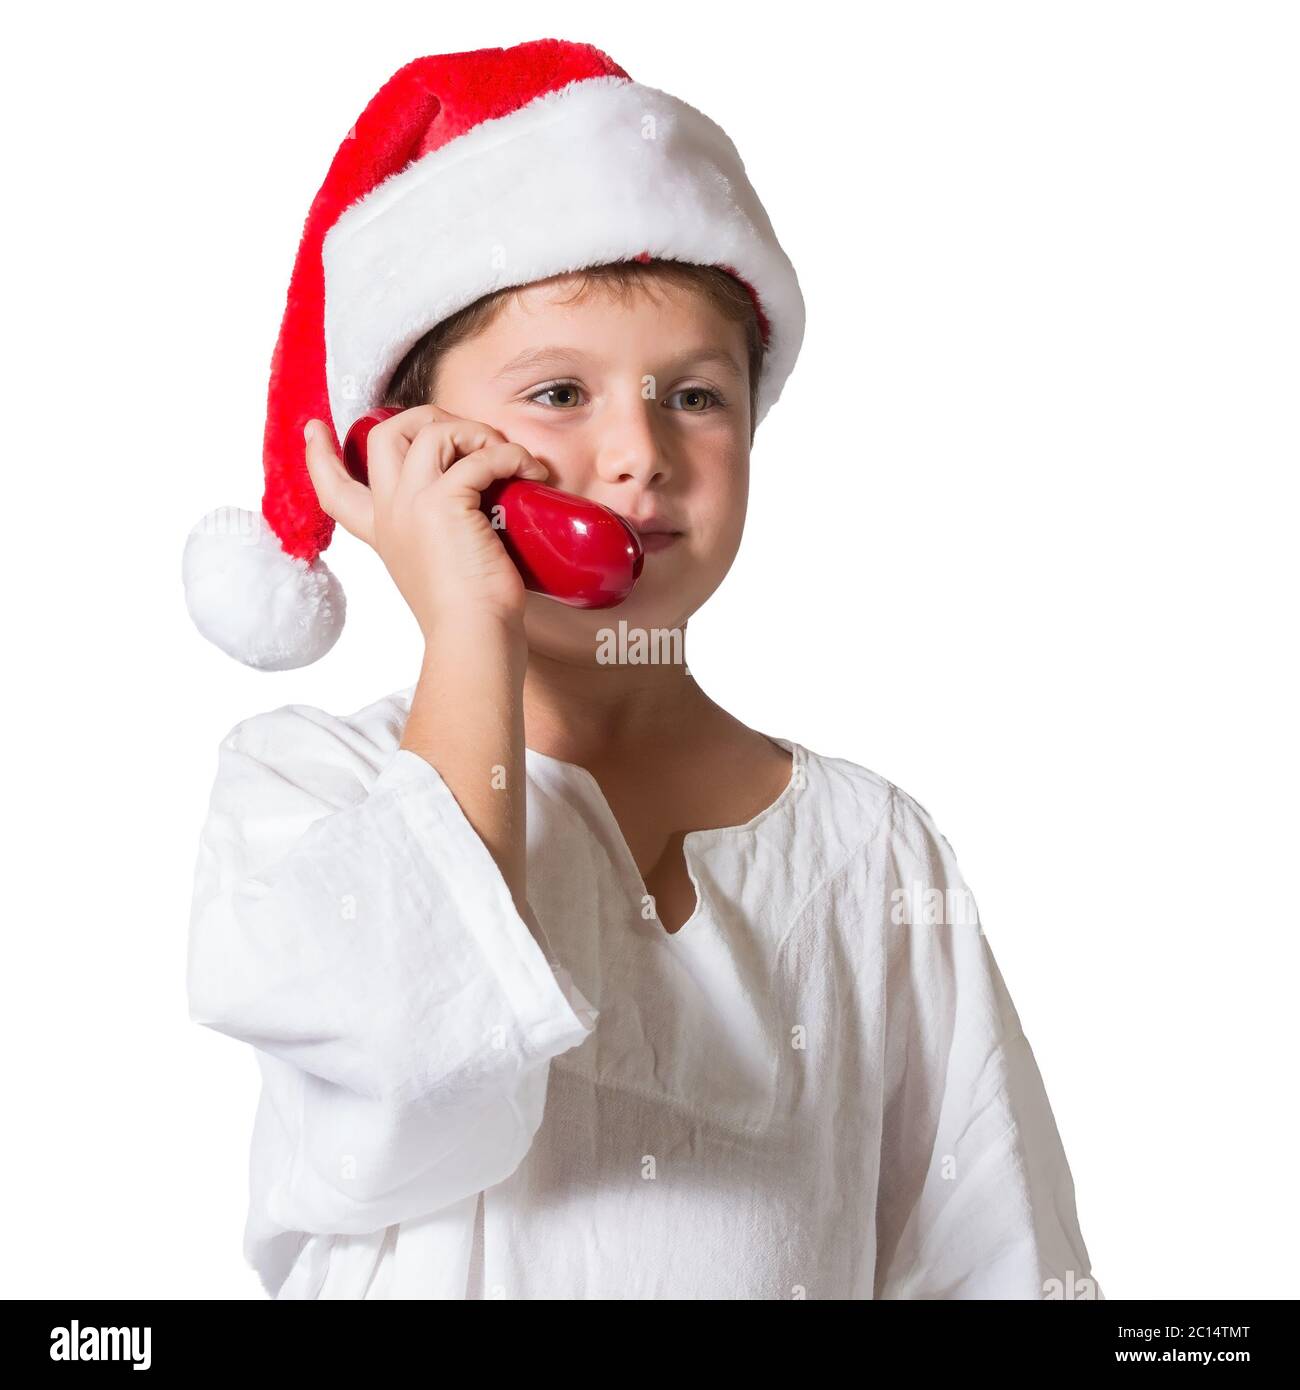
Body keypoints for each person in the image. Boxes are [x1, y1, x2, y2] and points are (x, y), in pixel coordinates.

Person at [183, 38, 1102, 1300]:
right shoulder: (308, 791)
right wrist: (470, 625)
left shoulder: (873, 849)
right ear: (406, 443)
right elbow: (412, 1057)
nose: (638, 453)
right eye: (559, 391)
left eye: (696, 397)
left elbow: (992, 1255)